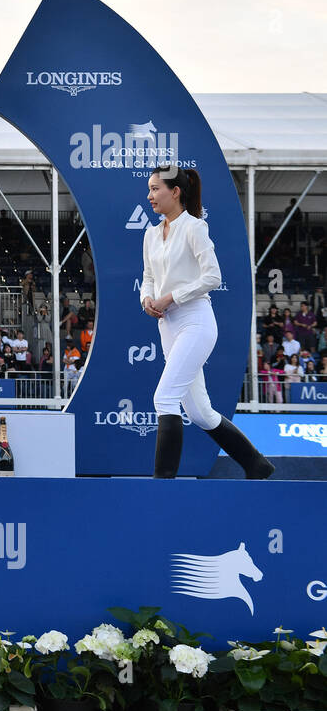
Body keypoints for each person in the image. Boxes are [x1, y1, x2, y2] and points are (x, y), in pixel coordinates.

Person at [140, 167, 273, 479]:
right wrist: (146, 299)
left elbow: (213, 276)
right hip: (168, 328)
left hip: (196, 322)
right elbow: (147, 278)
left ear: (176, 192)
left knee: (164, 398)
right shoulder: (150, 235)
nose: (150, 195)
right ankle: (257, 464)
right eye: (149, 188)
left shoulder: (194, 227)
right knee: (200, 412)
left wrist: (171, 296)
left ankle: (163, 487)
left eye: (156, 189)